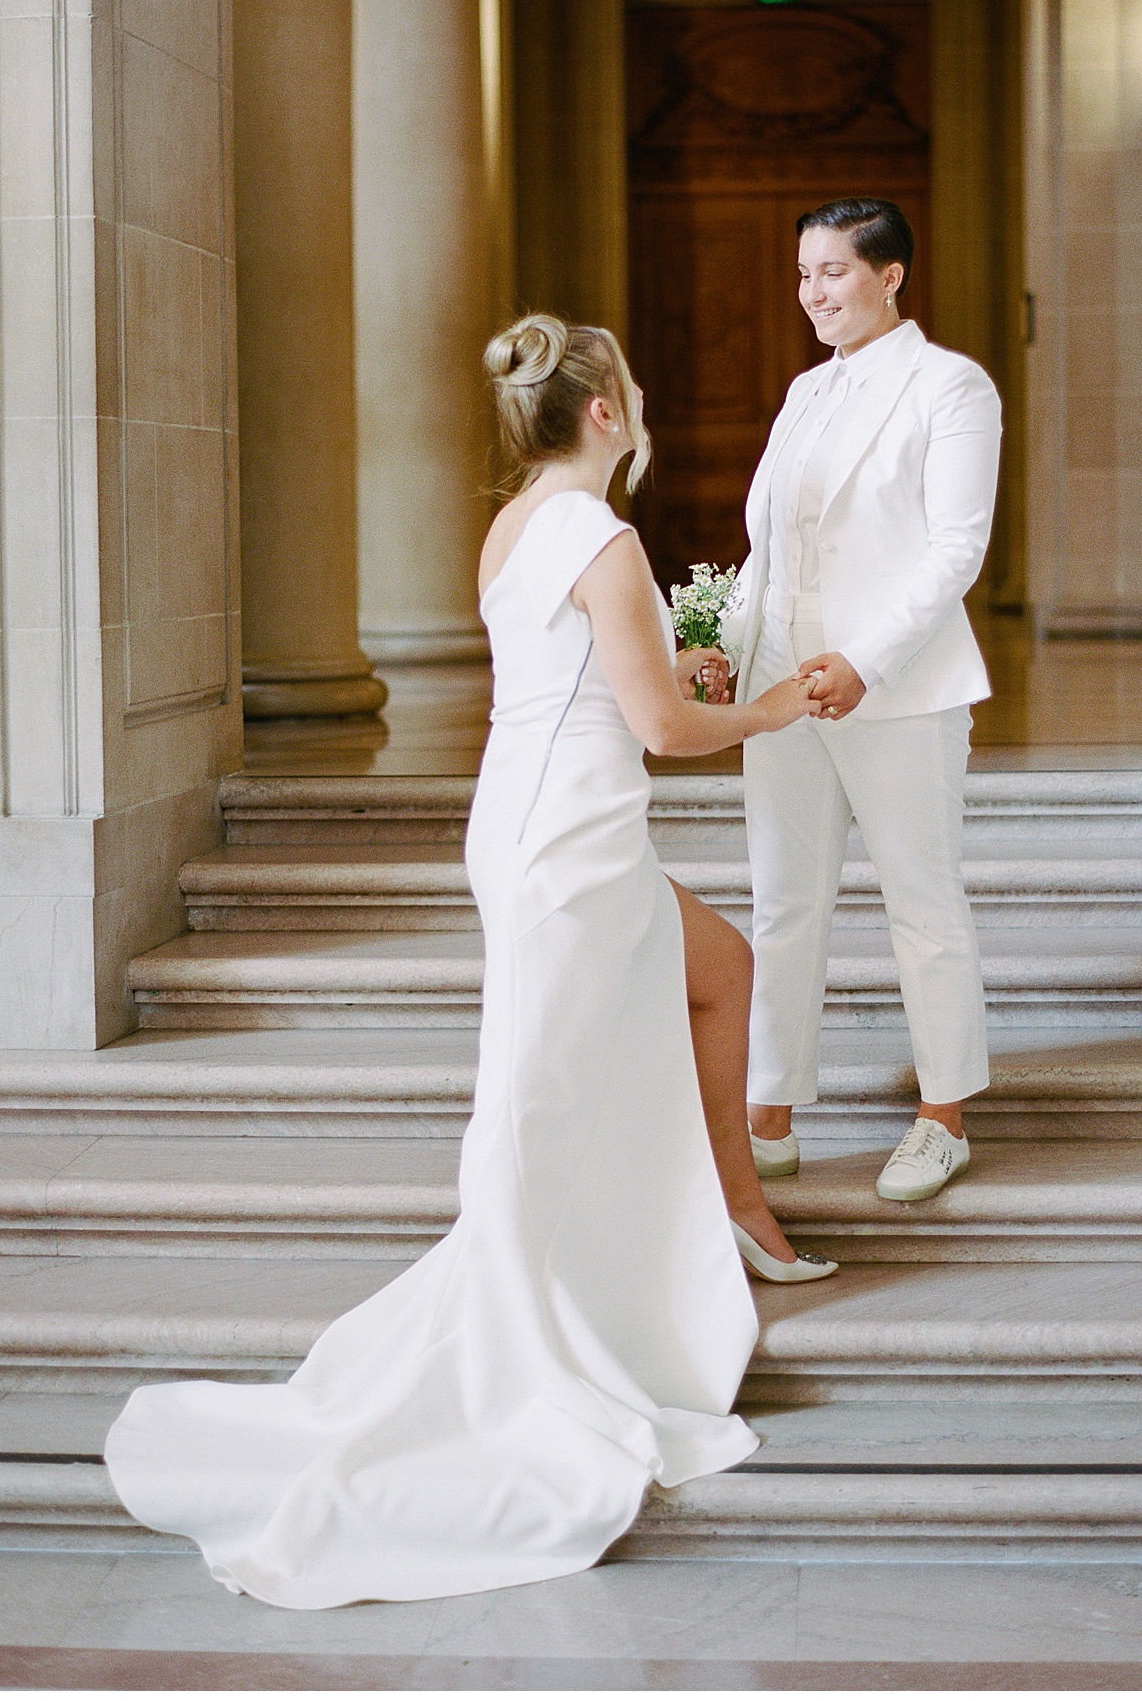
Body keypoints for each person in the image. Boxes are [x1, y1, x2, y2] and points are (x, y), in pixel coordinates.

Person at [104, 314, 830, 1611]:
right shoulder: (600, 538)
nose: (645, 394)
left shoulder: (514, 526)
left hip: (535, 818)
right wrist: (772, 703)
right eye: (636, 381)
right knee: (538, 1090)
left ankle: (733, 1205)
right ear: (605, 409)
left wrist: (679, 663)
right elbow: (659, 726)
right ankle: (510, 1325)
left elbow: (597, 688)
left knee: (716, 969)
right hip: (574, 839)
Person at [725, 198, 1003, 1203]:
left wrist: (866, 660)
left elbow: (953, 549)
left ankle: (942, 1118)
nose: (813, 293)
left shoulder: (952, 387)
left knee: (921, 899)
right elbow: (771, 549)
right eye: (805, 274)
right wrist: (724, 650)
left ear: (891, 276)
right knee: (783, 903)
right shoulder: (804, 393)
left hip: (902, 689)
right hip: (784, 693)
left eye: (833, 272)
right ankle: (768, 1113)